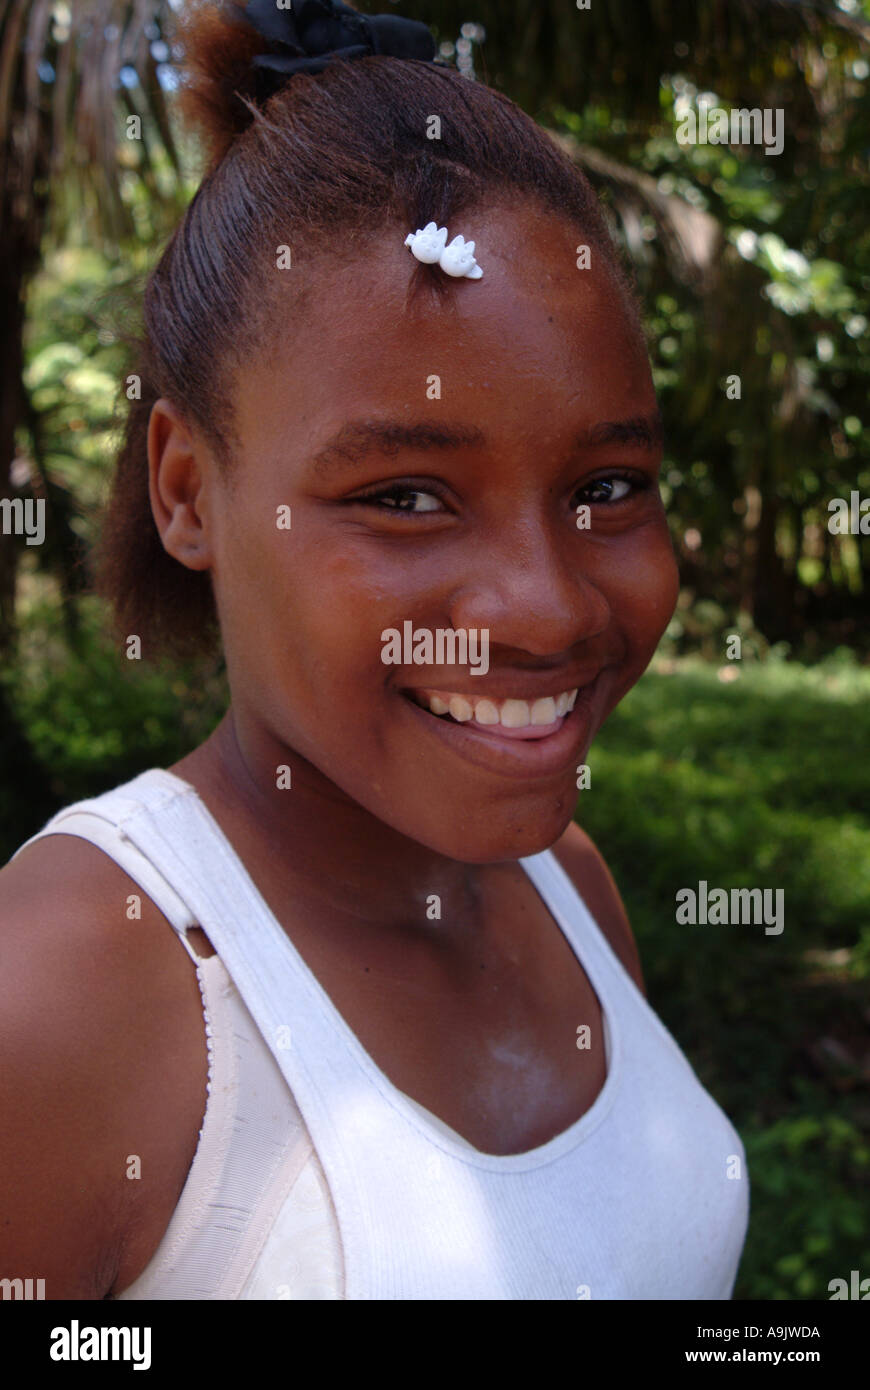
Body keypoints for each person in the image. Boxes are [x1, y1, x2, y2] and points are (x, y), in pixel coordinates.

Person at [0, 0, 749, 1300]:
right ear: (186, 489)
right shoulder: (72, 982)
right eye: (404, 495)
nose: (546, 608)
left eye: (607, 485)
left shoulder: (567, 889)